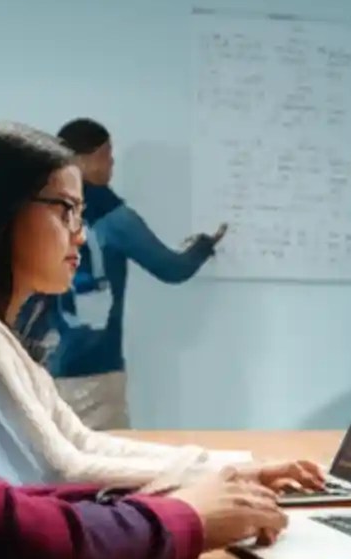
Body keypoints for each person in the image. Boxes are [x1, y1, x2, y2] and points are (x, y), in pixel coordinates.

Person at [0, 104, 311, 559]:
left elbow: (74, 454)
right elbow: (53, 479)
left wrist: (225, 473)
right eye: (65, 211)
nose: (79, 233)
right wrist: (196, 502)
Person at [0, 120, 292, 489]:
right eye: (65, 210)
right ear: (4, 206)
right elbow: (60, 472)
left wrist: (236, 465)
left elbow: (81, 443)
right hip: (95, 369)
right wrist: (225, 475)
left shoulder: (2, 335)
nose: (81, 235)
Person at [18, 118, 227, 430]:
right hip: (93, 368)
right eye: (106, 155)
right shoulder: (113, 218)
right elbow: (171, 269)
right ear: (84, 158)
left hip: (34, 365)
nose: (111, 164)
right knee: (106, 463)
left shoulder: (35, 208)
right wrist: (203, 246)